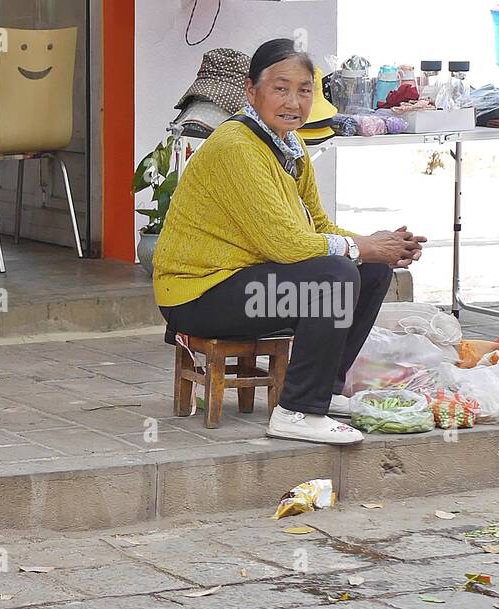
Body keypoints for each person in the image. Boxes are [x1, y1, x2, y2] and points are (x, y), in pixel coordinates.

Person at [153, 38, 427, 445]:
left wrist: (377, 246)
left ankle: (325, 391)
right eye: (280, 88)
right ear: (251, 90)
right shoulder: (235, 147)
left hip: (247, 285)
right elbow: (285, 244)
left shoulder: (291, 144)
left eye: (304, 90)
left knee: (370, 271)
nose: (294, 102)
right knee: (334, 276)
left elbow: (315, 225)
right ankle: (297, 411)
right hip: (199, 296)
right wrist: (361, 247)